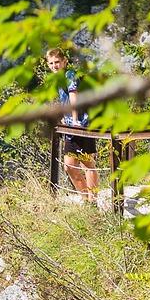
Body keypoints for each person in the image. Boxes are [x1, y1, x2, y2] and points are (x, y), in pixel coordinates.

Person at [45, 48, 99, 200]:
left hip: (81, 125)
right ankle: (85, 197)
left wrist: (75, 121)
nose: (54, 66)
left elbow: (73, 97)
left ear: (64, 62)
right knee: (69, 166)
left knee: (87, 163)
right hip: (70, 126)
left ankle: (92, 200)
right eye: (51, 63)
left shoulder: (70, 75)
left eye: (57, 62)